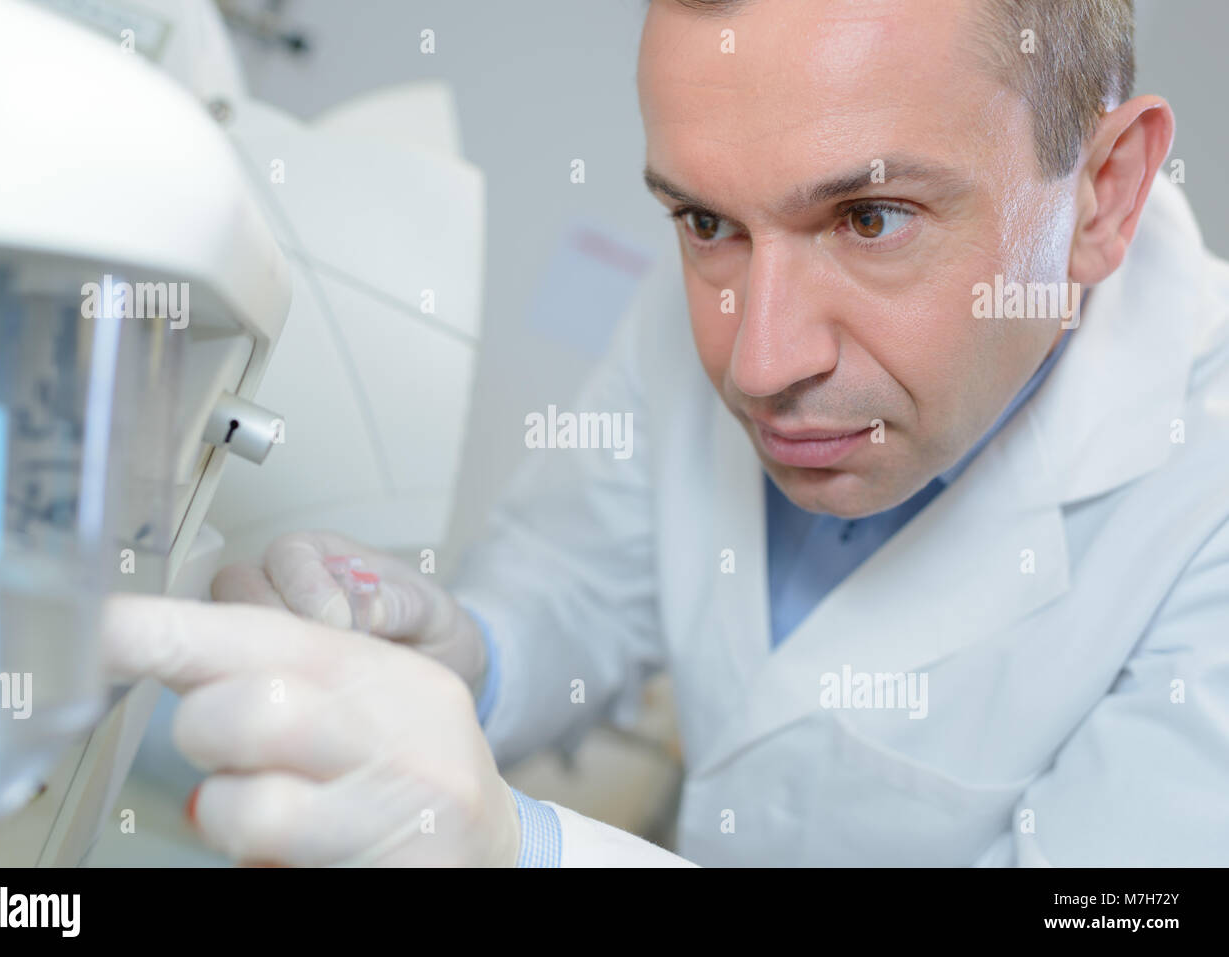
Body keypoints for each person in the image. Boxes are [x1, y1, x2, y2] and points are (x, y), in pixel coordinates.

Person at [103, 0, 1229, 866]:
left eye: (871, 218)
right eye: (703, 221)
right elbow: (582, 586)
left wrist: (525, 848)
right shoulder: (741, 287)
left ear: (1103, 193)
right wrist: (464, 655)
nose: (757, 361)